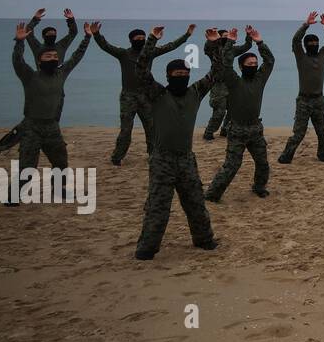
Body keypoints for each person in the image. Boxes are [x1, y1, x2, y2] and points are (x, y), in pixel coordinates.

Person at [132, 27, 221, 259]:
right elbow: (140, 69)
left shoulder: (196, 92)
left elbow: (218, 71)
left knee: (195, 203)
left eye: (185, 74)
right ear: (168, 76)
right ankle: (147, 249)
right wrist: (151, 40)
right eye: (177, 74)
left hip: (186, 159)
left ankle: (204, 240)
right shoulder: (157, 94)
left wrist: (214, 46)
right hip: (162, 159)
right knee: (158, 207)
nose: (181, 77)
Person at [94, 23, 193, 164]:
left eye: (143, 38)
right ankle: (117, 157)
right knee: (126, 130)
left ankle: (153, 155)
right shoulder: (123, 54)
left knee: (152, 128)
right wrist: (96, 34)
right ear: (131, 40)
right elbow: (106, 46)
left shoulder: (150, 53)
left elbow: (171, 46)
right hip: (128, 96)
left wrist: (187, 35)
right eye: (137, 38)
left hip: (146, 96)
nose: (140, 40)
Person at [10, 20, 93, 183]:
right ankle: (14, 194)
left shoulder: (61, 73)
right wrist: (19, 42)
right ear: (39, 62)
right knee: (27, 166)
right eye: (48, 56)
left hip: (52, 127)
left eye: (55, 56)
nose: (53, 58)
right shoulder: (30, 76)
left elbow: (77, 56)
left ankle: (60, 189)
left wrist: (87, 37)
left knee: (61, 162)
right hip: (31, 127)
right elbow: (18, 62)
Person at [205, 27, 275, 202]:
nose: (253, 66)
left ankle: (259, 187)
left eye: (254, 64)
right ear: (241, 66)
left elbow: (270, 61)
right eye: (249, 64)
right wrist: (229, 42)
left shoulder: (260, 79)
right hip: (237, 130)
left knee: (263, 163)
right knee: (232, 166)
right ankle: (213, 194)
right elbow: (225, 63)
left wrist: (259, 42)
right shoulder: (233, 80)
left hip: (255, 129)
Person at [279, 12, 324, 164]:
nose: (314, 45)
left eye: (316, 43)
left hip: (319, 100)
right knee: (298, 133)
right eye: (310, 44)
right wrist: (306, 25)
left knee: (322, 133)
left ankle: (323, 156)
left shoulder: (323, 54)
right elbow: (296, 40)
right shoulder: (301, 56)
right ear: (305, 46)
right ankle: (286, 157)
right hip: (303, 100)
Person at [202, 29, 249, 140]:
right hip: (218, 84)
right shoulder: (213, 49)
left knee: (233, 109)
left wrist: (249, 35)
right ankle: (209, 132)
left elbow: (247, 46)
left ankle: (225, 130)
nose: (227, 38)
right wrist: (210, 40)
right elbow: (207, 48)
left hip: (231, 83)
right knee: (220, 111)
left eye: (228, 36)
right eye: (224, 36)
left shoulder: (232, 50)